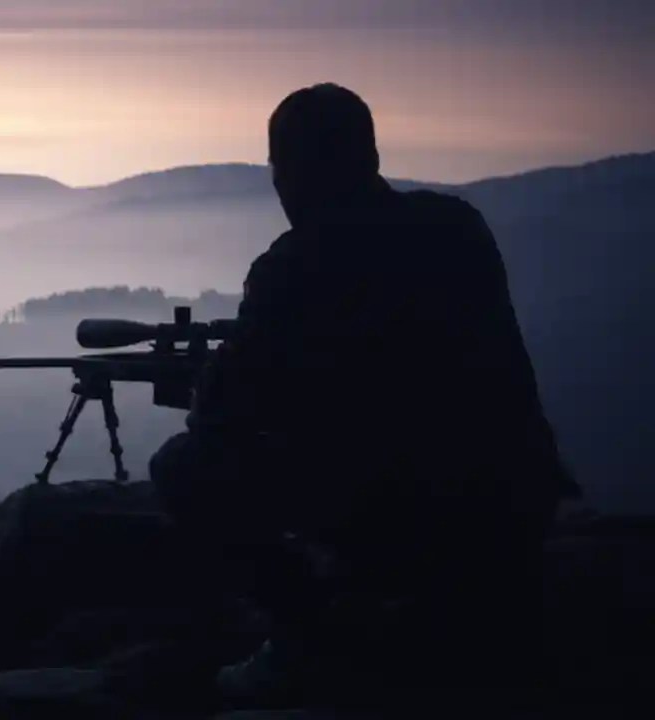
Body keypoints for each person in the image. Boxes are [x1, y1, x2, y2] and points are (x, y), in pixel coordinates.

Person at [149, 83, 577, 705]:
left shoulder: (292, 266)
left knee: (181, 469)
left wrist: (214, 379)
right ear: (371, 157)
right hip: (515, 500)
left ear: (289, 172)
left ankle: (314, 641)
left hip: (408, 510)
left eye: (279, 169)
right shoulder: (456, 226)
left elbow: (221, 422)